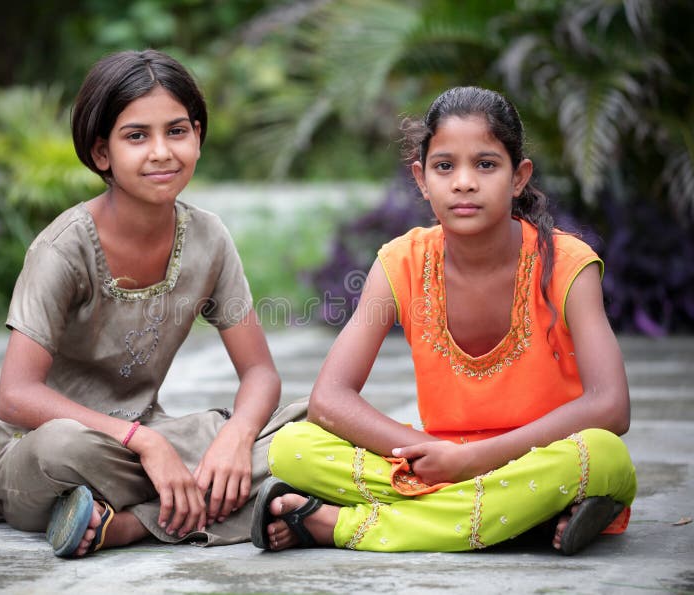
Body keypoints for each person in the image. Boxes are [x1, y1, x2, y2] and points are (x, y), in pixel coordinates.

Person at [0, 49, 305, 557]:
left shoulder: (209, 239)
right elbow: (16, 396)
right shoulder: (64, 248)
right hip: (51, 453)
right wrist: (147, 444)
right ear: (102, 153)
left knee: (308, 423)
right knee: (65, 446)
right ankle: (226, 498)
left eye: (176, 131)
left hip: (146, 438)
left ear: (197, 135)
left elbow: (259, 372)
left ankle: (122, 525)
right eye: (136, 136)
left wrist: (236, 438)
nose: (161, 152)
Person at [251, 86, 636, 555]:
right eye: (445, 166)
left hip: (538, 457)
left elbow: (611, 407)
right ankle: (523, 517)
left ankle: (332, 525)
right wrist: (430, 454)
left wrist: (472, 459)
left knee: (603, 456)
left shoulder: (570, 265)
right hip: (435, 462)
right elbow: (329, 400)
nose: (464, 182)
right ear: (421, 178)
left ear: (519, 177)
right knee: (292, 448)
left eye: (486, 164)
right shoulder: (401, 262)